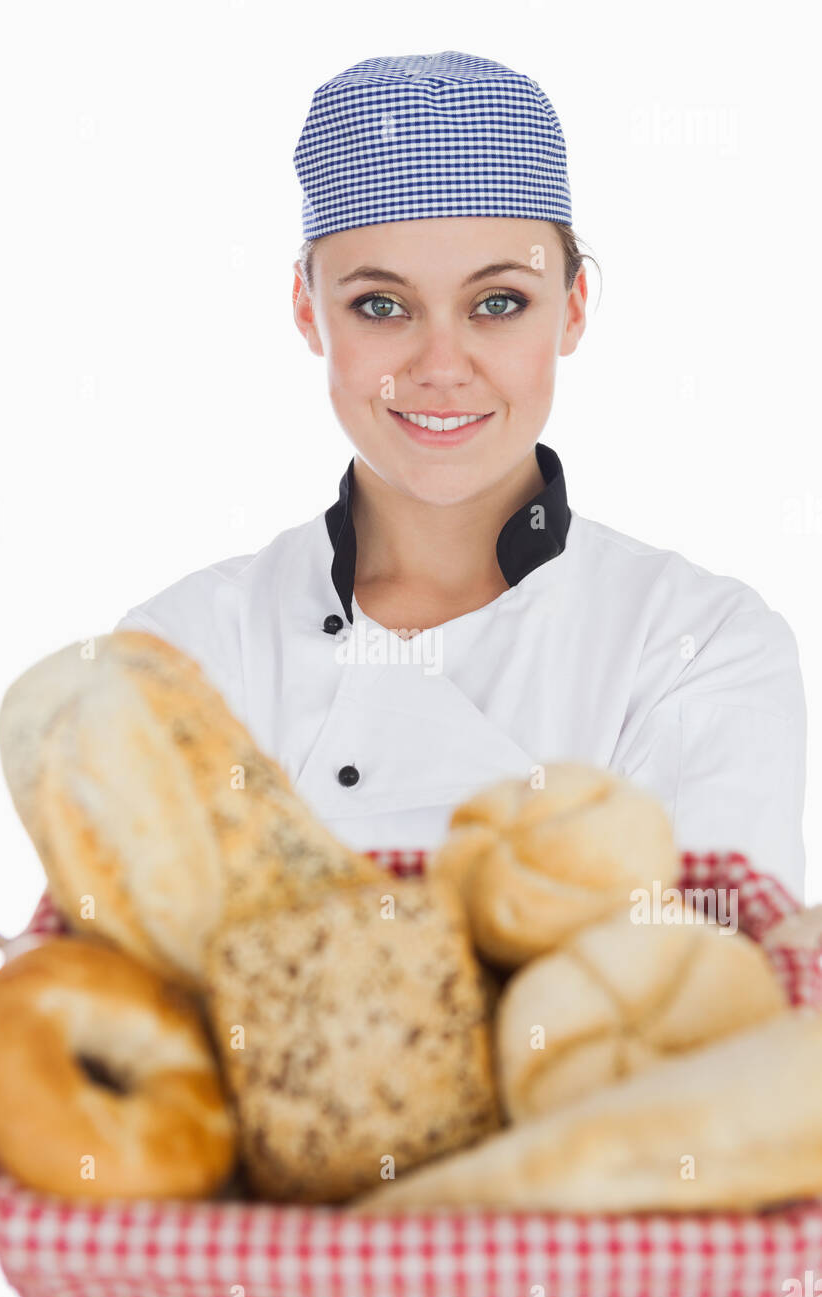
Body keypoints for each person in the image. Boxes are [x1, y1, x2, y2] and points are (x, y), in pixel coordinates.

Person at [114, 51, 807, 901]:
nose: (442, 367)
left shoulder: (697, 647)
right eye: (381, 305)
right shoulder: (186, 653)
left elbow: (716, 994)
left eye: (498, 302)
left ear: (575, 308)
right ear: (306, 311)